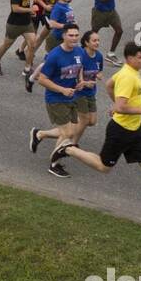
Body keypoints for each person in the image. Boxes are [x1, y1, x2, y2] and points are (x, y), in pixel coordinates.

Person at [54, 44, 141, 220]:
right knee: (103, 166)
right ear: (130, 59)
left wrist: (116, 103)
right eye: (140, 57)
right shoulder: (128, 76)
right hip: (121, 131)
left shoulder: (129, 72)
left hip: (136, 130)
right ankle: (67, 148)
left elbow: (109, 84)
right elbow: (121, 108)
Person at [29, 23, 84, 178]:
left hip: (72, 97)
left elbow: (79, 68)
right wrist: (62, 90)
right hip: (56, 98)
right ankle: (54, 165)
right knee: (67, 133)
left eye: (76, 35)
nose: (74, 38)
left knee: (71, 132)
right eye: (71, 35)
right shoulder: (54, 55)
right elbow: (42, 79)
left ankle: (39, 134)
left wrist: (80, 81)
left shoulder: (79, 51)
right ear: (63, 36)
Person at [0, 0, 38, 87]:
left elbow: (25, 5)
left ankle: (27, 69)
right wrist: (30, 10)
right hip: (14, 24)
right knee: (7, 45)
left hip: (27, 23)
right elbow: (15, 8)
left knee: (32, 44)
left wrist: (30, 13)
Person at [74, 29, 105, 146]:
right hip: (79, 92)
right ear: (86, 43)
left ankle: (69, 129)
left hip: (91, 92)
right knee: (85, 120)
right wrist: (84, 82)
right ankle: (71, 143)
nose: (97, 43)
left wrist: (98, 75)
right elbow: (77, 74)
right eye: (94, 41)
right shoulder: (80, 55)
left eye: (98, 40)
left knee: (92, 121)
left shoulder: (99, 56)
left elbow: (99, 70)